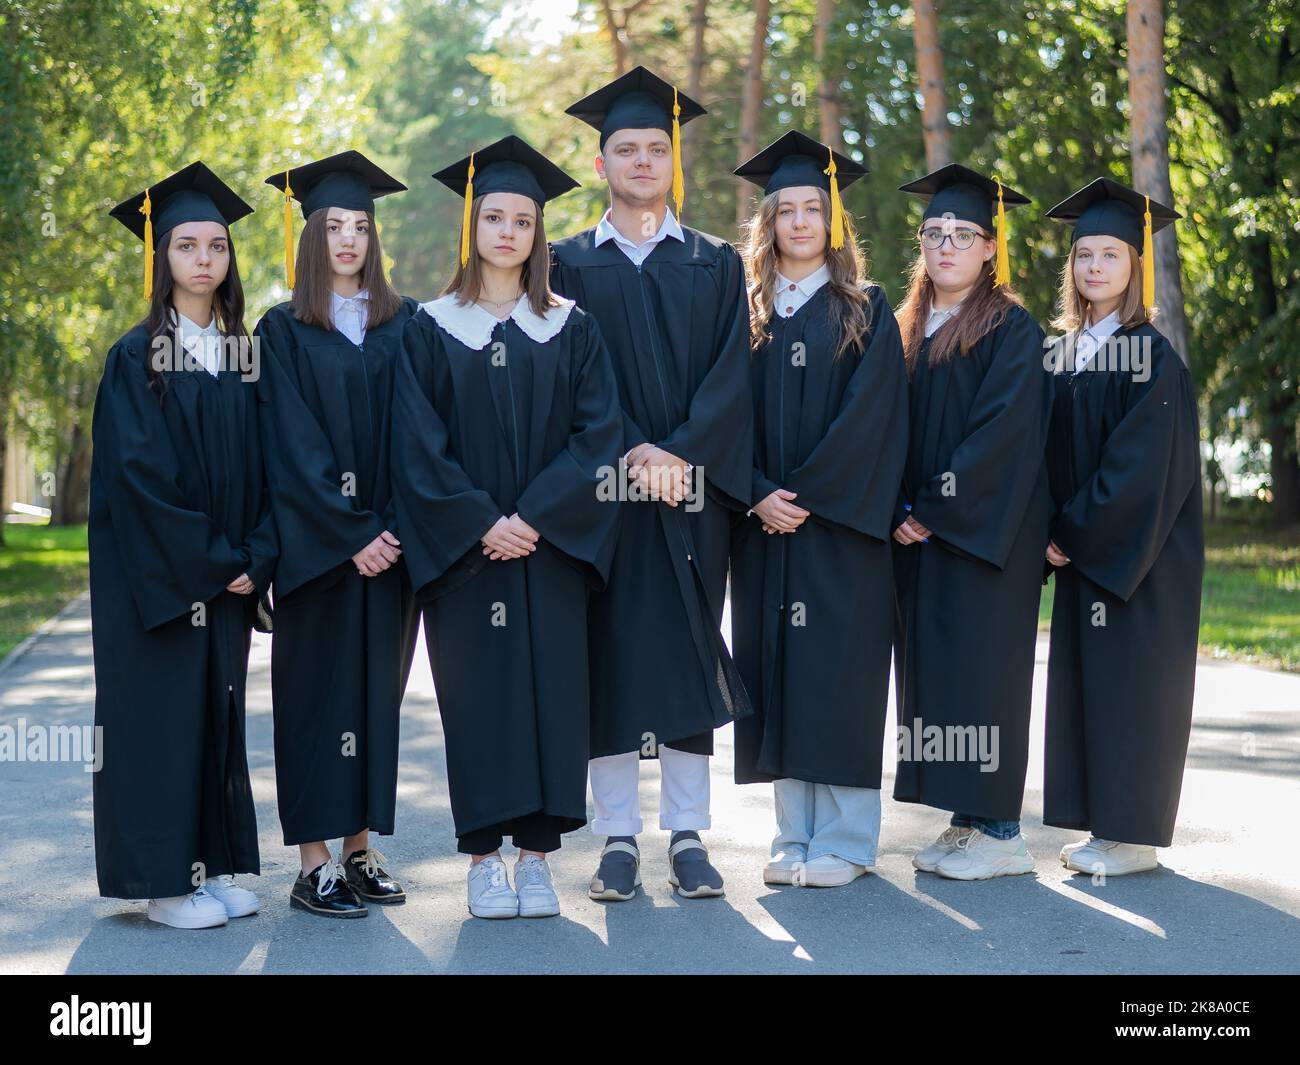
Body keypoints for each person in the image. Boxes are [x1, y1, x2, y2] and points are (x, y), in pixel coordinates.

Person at [392, 135, 623, 919]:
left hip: (550, 551)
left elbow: (599, 438)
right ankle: (485, 860)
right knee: (481, 702)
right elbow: (416, 445)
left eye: (523, 221)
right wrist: (484, 521)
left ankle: (536, 859)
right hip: (469, 558)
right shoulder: (431, 326)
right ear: (473, 226)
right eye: (494, 217)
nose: (508, 233)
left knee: (554, 700)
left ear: (537, 235)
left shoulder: (570, 326)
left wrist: (534, 516)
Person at [550, 66, 755, 901]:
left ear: (673, 161)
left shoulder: (714, 263)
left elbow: (730, 376)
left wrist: (678, 455)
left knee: (684, 655)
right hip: (600, 498)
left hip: (690, 496)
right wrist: (629, 453)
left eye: (655, 148)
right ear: (601, 165)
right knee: (604, 656)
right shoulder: (562, 263)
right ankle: (616, 839)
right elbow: (561, 382)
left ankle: (688, 834)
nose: (641, 160)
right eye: (625, 149)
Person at [93, 161, 276, 928]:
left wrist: (258, 554)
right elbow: (142, 480)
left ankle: (209, 867)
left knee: (214, 715)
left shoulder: (240, 353)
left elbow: (273, 466)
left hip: (227, 579)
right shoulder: (136, 357)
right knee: (161, 721)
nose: (204, 260)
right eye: (186, 246)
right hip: (162, 585)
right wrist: (219, 563)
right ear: (160, 257)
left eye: (217, 246)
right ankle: (164, 884)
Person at [730, 131, 908, 888]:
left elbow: (874, 419)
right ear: (767, 223)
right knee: (778, 669)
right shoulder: (745, 314)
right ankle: (793, 834)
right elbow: (721, 413)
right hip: (765, 526)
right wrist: (753, 489)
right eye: (786, 209)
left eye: (814, 208)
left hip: (840, 531)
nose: (800, 221)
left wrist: (801, 496)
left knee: (838, 672)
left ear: (833, 221)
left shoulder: (866, 309)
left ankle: (846, 839)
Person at [256, 151, 421, 917]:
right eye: (334, 226)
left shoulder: (405, 323)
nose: (349, 240)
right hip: (321, 554)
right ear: (311, 236)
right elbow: (291, 446)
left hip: (390, 552)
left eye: (361, 226)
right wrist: (352, 530)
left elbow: (417, 437)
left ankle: (358, 851)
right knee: (316, 698)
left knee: (373, 699)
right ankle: (313, 861)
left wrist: (389, 531)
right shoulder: (283, 331)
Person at [891, 163, 1053, 880]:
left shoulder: (1013, 328)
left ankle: (1001, 829)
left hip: (987, 537)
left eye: (963, 234)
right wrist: (893, 506)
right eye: (935, 233)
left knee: (984, 672)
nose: (947, 245)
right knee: (940, 674)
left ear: (991, 246)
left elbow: (1002, 434)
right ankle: (964, 818)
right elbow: (885, 425)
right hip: (920, 534)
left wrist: (931, 509)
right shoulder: (908, 324)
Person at [1041, 177, 1204, 876]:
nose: (1096, 268)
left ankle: (1133, 835)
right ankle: (1104, 826)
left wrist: (1067, 534)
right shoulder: (1064, 352)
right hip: (1084, 550)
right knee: (1088, 681)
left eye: (1111, 254)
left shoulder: (1152, 357)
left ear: (1137, 266)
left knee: (1132, 681)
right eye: (1084, 255)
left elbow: (1135, 474)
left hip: (1140, 556)